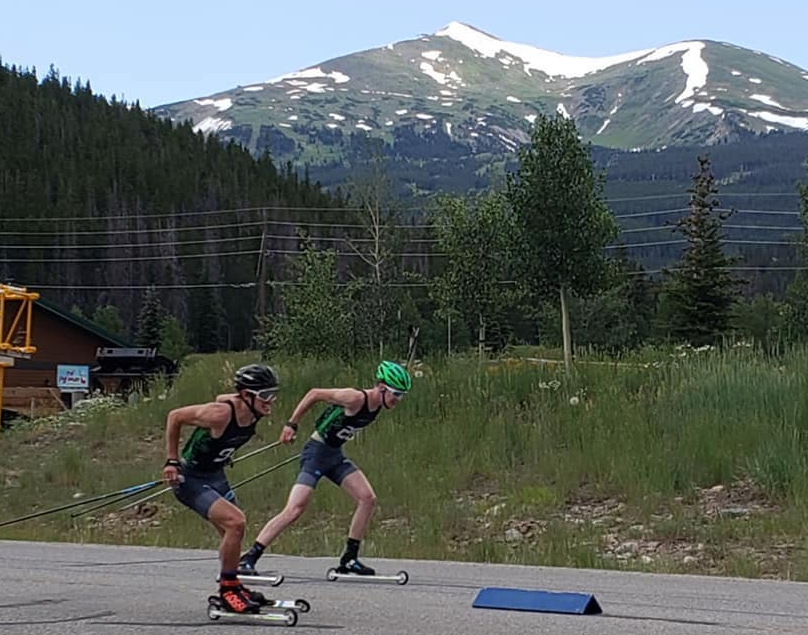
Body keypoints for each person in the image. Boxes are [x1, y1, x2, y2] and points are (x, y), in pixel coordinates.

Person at [238, 360, 412, 577]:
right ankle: (249, 558)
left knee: (367, 499)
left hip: (334, 455)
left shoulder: (378, 405)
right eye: (396, 393)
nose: (398, 400)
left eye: (402, 395)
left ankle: (349, 559)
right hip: (316, 453)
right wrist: (291, 424)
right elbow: (314, 393)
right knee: (295, 509)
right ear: (382, 387)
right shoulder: (356, 397)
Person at [162, 363, 279, 614]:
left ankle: (234, 585)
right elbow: (175, 416)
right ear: (247, 395)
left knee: (233, 532)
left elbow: (224, 396)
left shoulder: (249, 408)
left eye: (273, 394)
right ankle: (227, 591)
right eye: (265, 395)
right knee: (236, 522)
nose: (271, 401)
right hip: (190, 479)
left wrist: (222, 452)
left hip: (215, 475)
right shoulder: (220, 414)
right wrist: (171, 461)